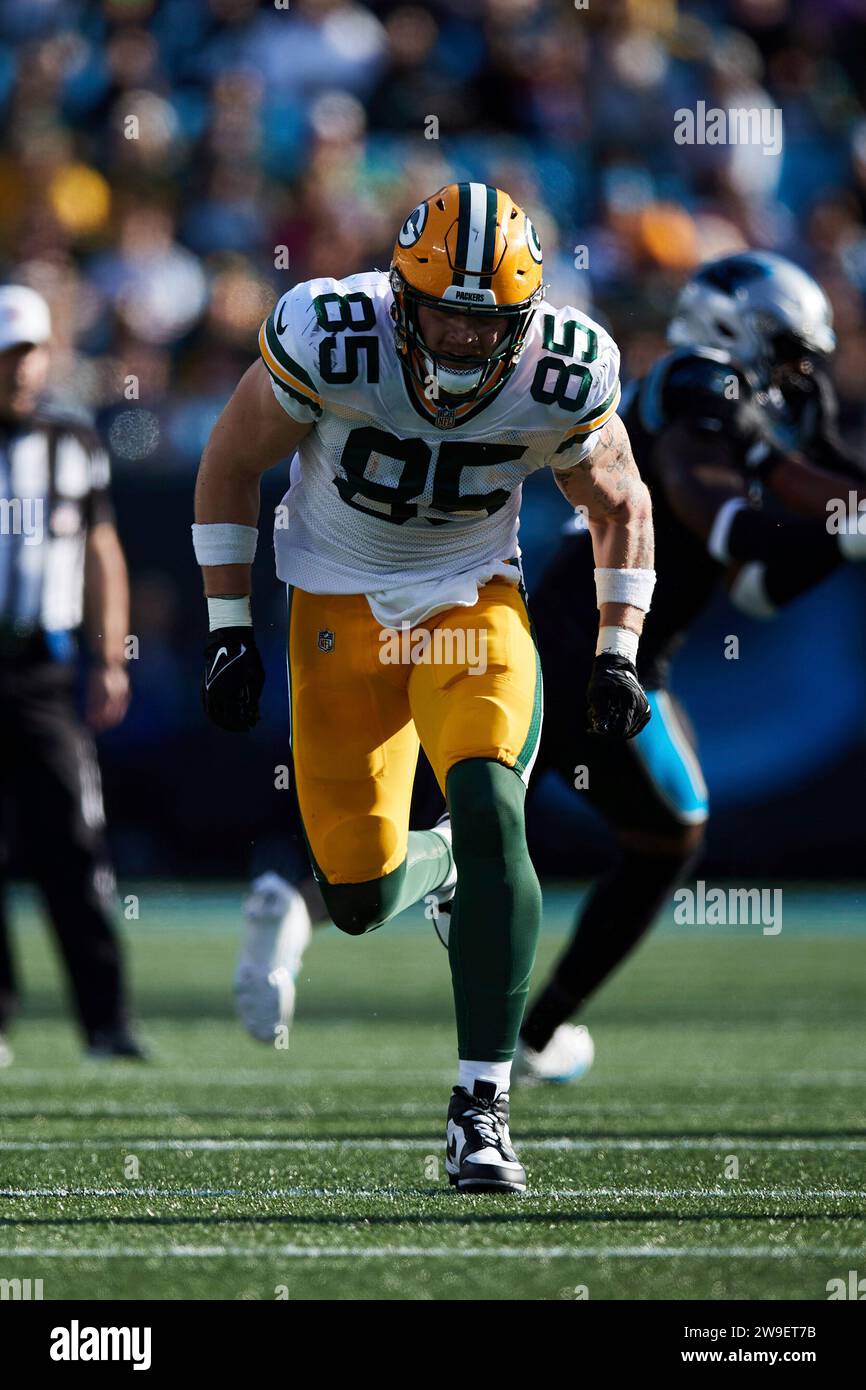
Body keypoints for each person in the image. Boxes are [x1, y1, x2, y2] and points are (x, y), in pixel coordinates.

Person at [193, 183, 655, 1191]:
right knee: (355, 898)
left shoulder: (562, 369)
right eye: (439, 309)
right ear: (398, 295)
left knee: (495, 807)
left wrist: (617, 646)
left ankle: (478, 1106)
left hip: (468, 603)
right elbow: (228, 463)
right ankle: (439, 870)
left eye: (481, 319)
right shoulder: (330, 332)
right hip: (334, 610)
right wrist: (229, 629)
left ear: (523, 321)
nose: (454, 335)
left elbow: (619, 502)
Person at [516, 251, 866, 1083]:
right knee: (646, 833)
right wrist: (849, 511)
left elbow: (760, 587)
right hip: (591, 648)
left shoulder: (724, 405)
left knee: (457, 829)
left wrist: (845, 513)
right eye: (785, 349)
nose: (794, 373)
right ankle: (524, 1035)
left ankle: (527, 1031)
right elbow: (731, 526)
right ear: (735, 329)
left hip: (593, 648)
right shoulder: (697, 381)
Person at [0, 285, 143, 1065]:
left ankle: (106, 1023)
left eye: (28, 355)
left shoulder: (74, 442)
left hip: (44, 665)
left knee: (75, 841)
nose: (18, 372)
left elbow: (101, 552)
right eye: (6, 357)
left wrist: (111, 651)